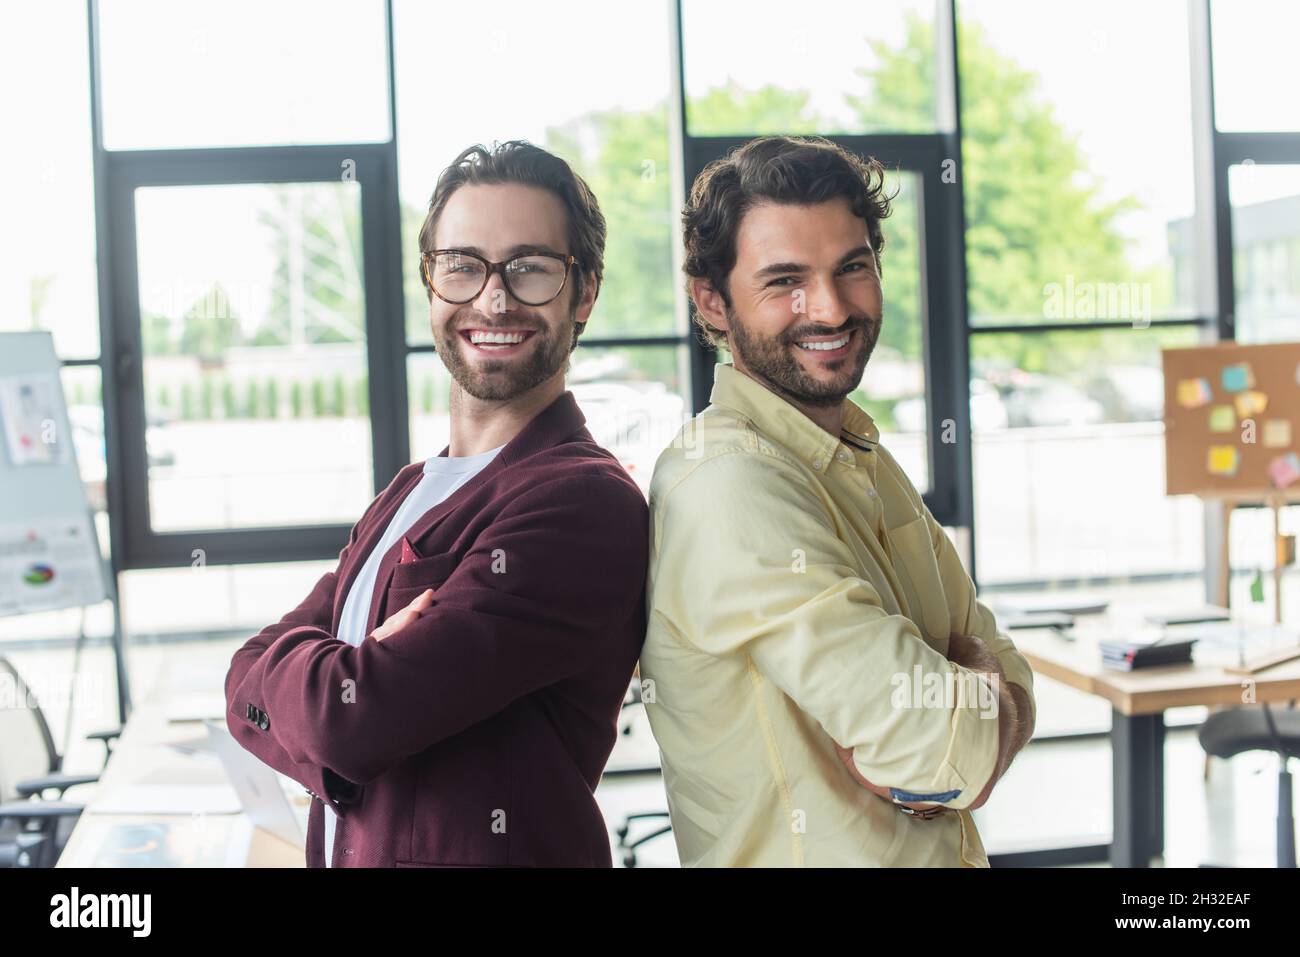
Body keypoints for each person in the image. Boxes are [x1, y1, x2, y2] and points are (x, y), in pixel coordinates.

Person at [225, 141, 647, 867]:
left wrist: (317, 686)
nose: (493, 297)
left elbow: (349, 724)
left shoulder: (585, 503)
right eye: (463, 265)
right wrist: (325, 678)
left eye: (530, 268)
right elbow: (243, 682)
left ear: (583, 294)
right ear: (431, 284)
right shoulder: (407, 492)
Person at [640, 135, 1036, 867]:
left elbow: (1007, 673)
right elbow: (944, 745)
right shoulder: (727, 484)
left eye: (851, 267)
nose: (828, 306)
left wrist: (979, 699)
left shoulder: (862, 456)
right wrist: (973, 709)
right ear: (712, 303)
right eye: (785, 280)